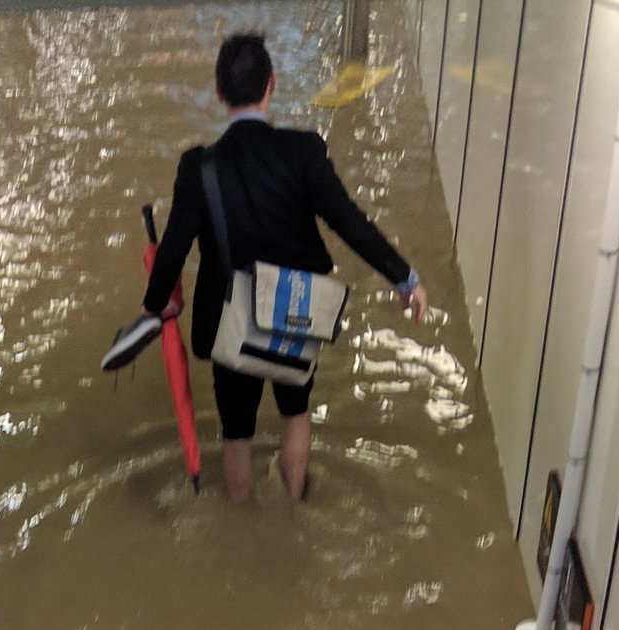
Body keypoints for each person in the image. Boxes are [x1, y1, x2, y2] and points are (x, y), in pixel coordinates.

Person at [112, 33, 430, 504]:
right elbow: (349, 222)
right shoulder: (304, 152)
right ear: (272, 85)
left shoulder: (199, 167)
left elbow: (174, 249)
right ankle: (295, 503)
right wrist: (405, 279)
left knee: (236, 432)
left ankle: (240, 520)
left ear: (219, 93)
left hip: (229, 320)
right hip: (295, 313)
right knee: (295, 414)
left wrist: (151, 309)